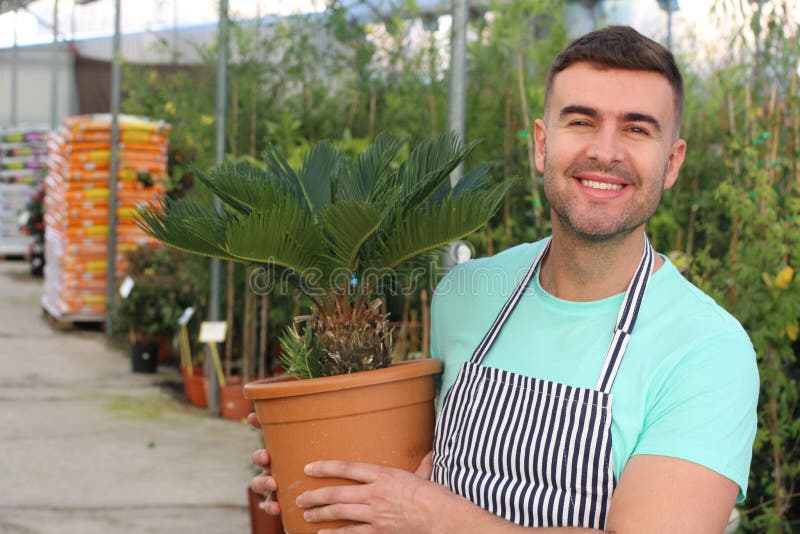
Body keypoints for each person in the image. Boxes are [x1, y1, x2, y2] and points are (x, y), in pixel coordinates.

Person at [249, 25, 759, 533]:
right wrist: (319, 454)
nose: (605, 152)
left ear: (671, 163)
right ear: (541, 144)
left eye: (637, 129)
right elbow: (423, 464)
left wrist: (429, 517)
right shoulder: (466, 293)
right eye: (581, 121)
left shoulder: (706, 351)